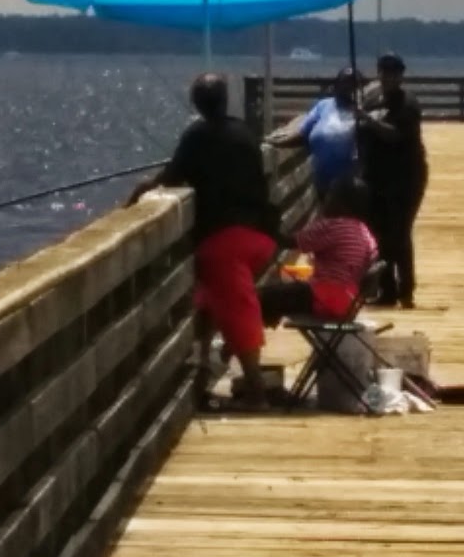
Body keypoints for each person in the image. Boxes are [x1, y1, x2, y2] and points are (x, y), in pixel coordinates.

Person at [128, 72, 279, 410]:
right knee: (211, 299)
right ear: (226, 101)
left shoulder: (196, 135)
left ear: (196, 103)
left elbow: (171, 177)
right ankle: (201, 375)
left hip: (225, 243)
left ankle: (257, 393)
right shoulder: (245, 131)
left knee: (238, 313)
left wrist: (143, 188)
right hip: (262, 238)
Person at [357, 52, 429, 308]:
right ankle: (386, 290)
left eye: (392, 73)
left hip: (406, 177)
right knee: (378, 234)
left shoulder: (408, 104)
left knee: (399, 233)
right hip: (377, 176)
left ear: (400, 76)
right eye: (383, 72)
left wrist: (367, 121)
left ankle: (406, 290)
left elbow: (395, 135)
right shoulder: (374, 100)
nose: (387, 78)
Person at [260, 176, 378, 326]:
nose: (326, 200)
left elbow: (291, 242)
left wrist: (268, 230)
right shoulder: (364, 231)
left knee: (261, 297)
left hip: (323, 299)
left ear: (342, 204)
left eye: (331, 195)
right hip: (349, 303)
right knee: (282, 294)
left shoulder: (333, 227)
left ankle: (246, 345)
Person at [271, 67, 362, 197]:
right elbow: (303, 132)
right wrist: (276, 142)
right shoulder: (323, 105)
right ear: (337, 84)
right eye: (345, 81)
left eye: (353, 83)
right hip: (322, 182)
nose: (349, 86)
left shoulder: (363, 111)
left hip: (350, 184)